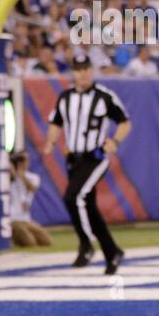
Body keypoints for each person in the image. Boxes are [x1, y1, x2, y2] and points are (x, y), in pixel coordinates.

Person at [42, 55, 130, 274]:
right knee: (89, 208)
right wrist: (50, 142)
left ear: (91, 70)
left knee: (73, 197)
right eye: (78, 69)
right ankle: (112, 252)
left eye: (86, 69)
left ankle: (86, 243)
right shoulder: (65, 97)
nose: (82, 73)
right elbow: (56, 122)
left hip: (95, 156)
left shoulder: (104, 96)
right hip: (73, 158)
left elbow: (124, 121)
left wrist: (115, 141)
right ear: (73, 72)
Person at [8, 151, 52, 247]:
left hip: (26, 219)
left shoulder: (33, 177)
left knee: (46, 241)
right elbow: (11, 178)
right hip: (12, 219)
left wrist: (21, 174)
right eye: (21, 160)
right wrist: (10, 166)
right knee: (30, 243)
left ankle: (14, 239)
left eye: (25, 160)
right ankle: (12, 238)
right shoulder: (10, 176)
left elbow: (31, 187)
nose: (24, 162)